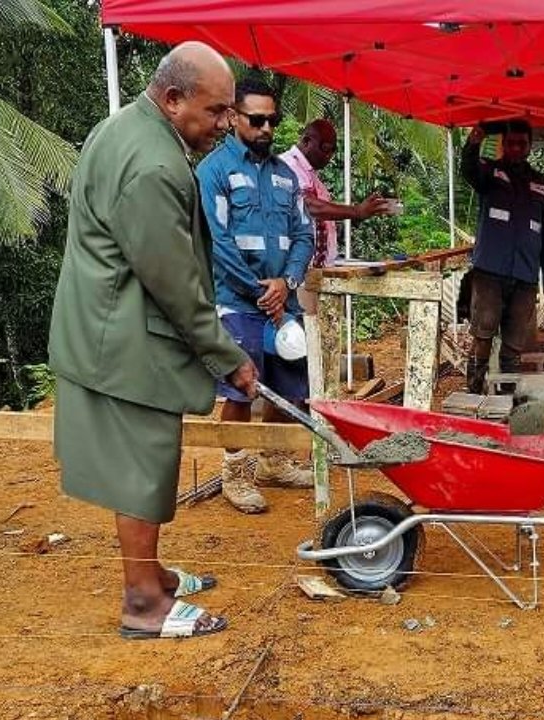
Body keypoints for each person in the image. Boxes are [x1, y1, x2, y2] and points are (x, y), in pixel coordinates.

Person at [46, 43, 258, 640]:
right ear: (172, 99)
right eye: (216, 112)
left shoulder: (120, 130)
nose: (225, 126)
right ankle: (143, 601)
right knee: (142, 466)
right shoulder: (155, 166)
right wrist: (229, 357)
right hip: (125, 335)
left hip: (105, 321)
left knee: (141, 462)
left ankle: (152, 572)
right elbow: (174, 283)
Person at [196, 78, 319, 514]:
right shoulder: (213, 172)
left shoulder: (286, 176)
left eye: (273, 120)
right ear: (233, 118)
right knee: (240, 390)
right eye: (257, 119)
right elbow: (218, 241)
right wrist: (256, 290)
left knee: (289, 385)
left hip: (282, 303)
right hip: (237, 304)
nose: (267, 128)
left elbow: (305, 233)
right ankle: (236, 473)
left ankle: (274, 461)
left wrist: (286, 282)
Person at [460, 118, 544, 393]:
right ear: (504, 145)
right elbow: (468, 170)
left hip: (525, 277)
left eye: (522, 144)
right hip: (489, 274)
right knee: (482, 335)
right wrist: (472, 144)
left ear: (530, 146)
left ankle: (505, 400)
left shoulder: (542, 185)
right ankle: (474, 392)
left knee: (514, 345)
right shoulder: (490, 174)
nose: (516, 148)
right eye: (511, 143)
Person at [279, 118, 396, 311]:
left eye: (333, 150)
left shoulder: (310, 173)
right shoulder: (288, 165)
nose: (329, 156)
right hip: (296, 272)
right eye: (325, 148)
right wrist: (357, 211)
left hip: (316, 272)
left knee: (318, 334)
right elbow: (308, 206)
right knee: (302, 335)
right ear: (307, 141)